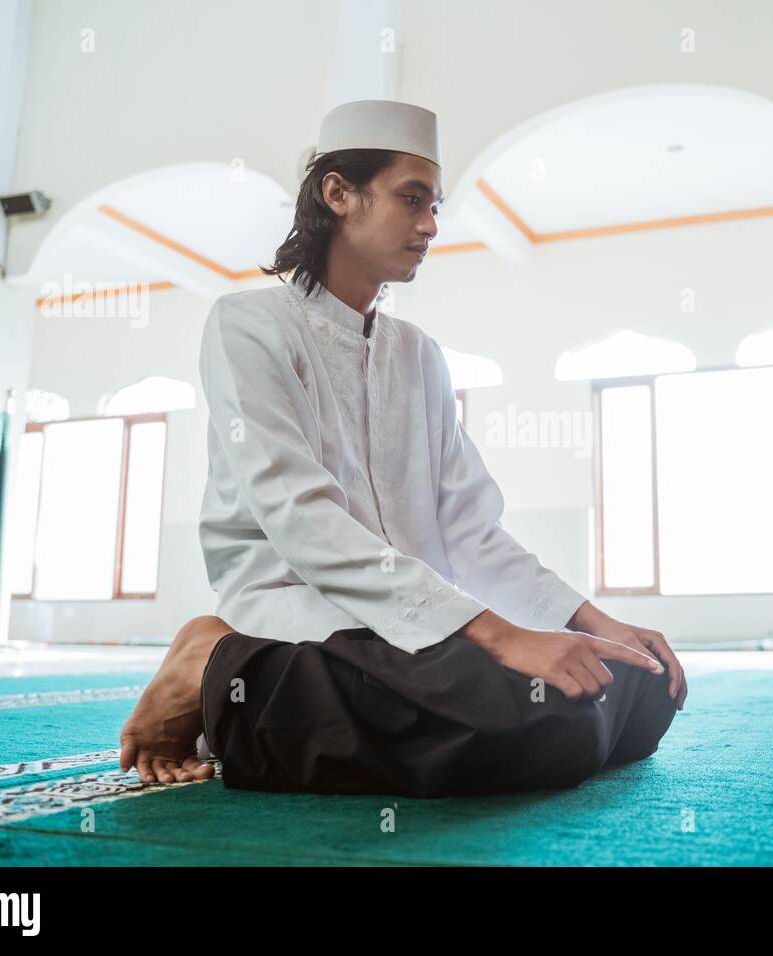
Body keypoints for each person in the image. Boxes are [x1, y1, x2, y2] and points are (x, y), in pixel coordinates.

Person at [119, 99, 687, 798]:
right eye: (412, 199)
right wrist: (501, 638)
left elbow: (470, 532)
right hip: (301, 619)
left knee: (639, 689)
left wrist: (593, 622)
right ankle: (214, 665)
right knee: (533, 725)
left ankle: (457, 681)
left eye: (435, 205)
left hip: (426, 630)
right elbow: (303, 521)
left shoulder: (419, 356)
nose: (430, 225)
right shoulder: (248, 326)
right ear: (339, 194)